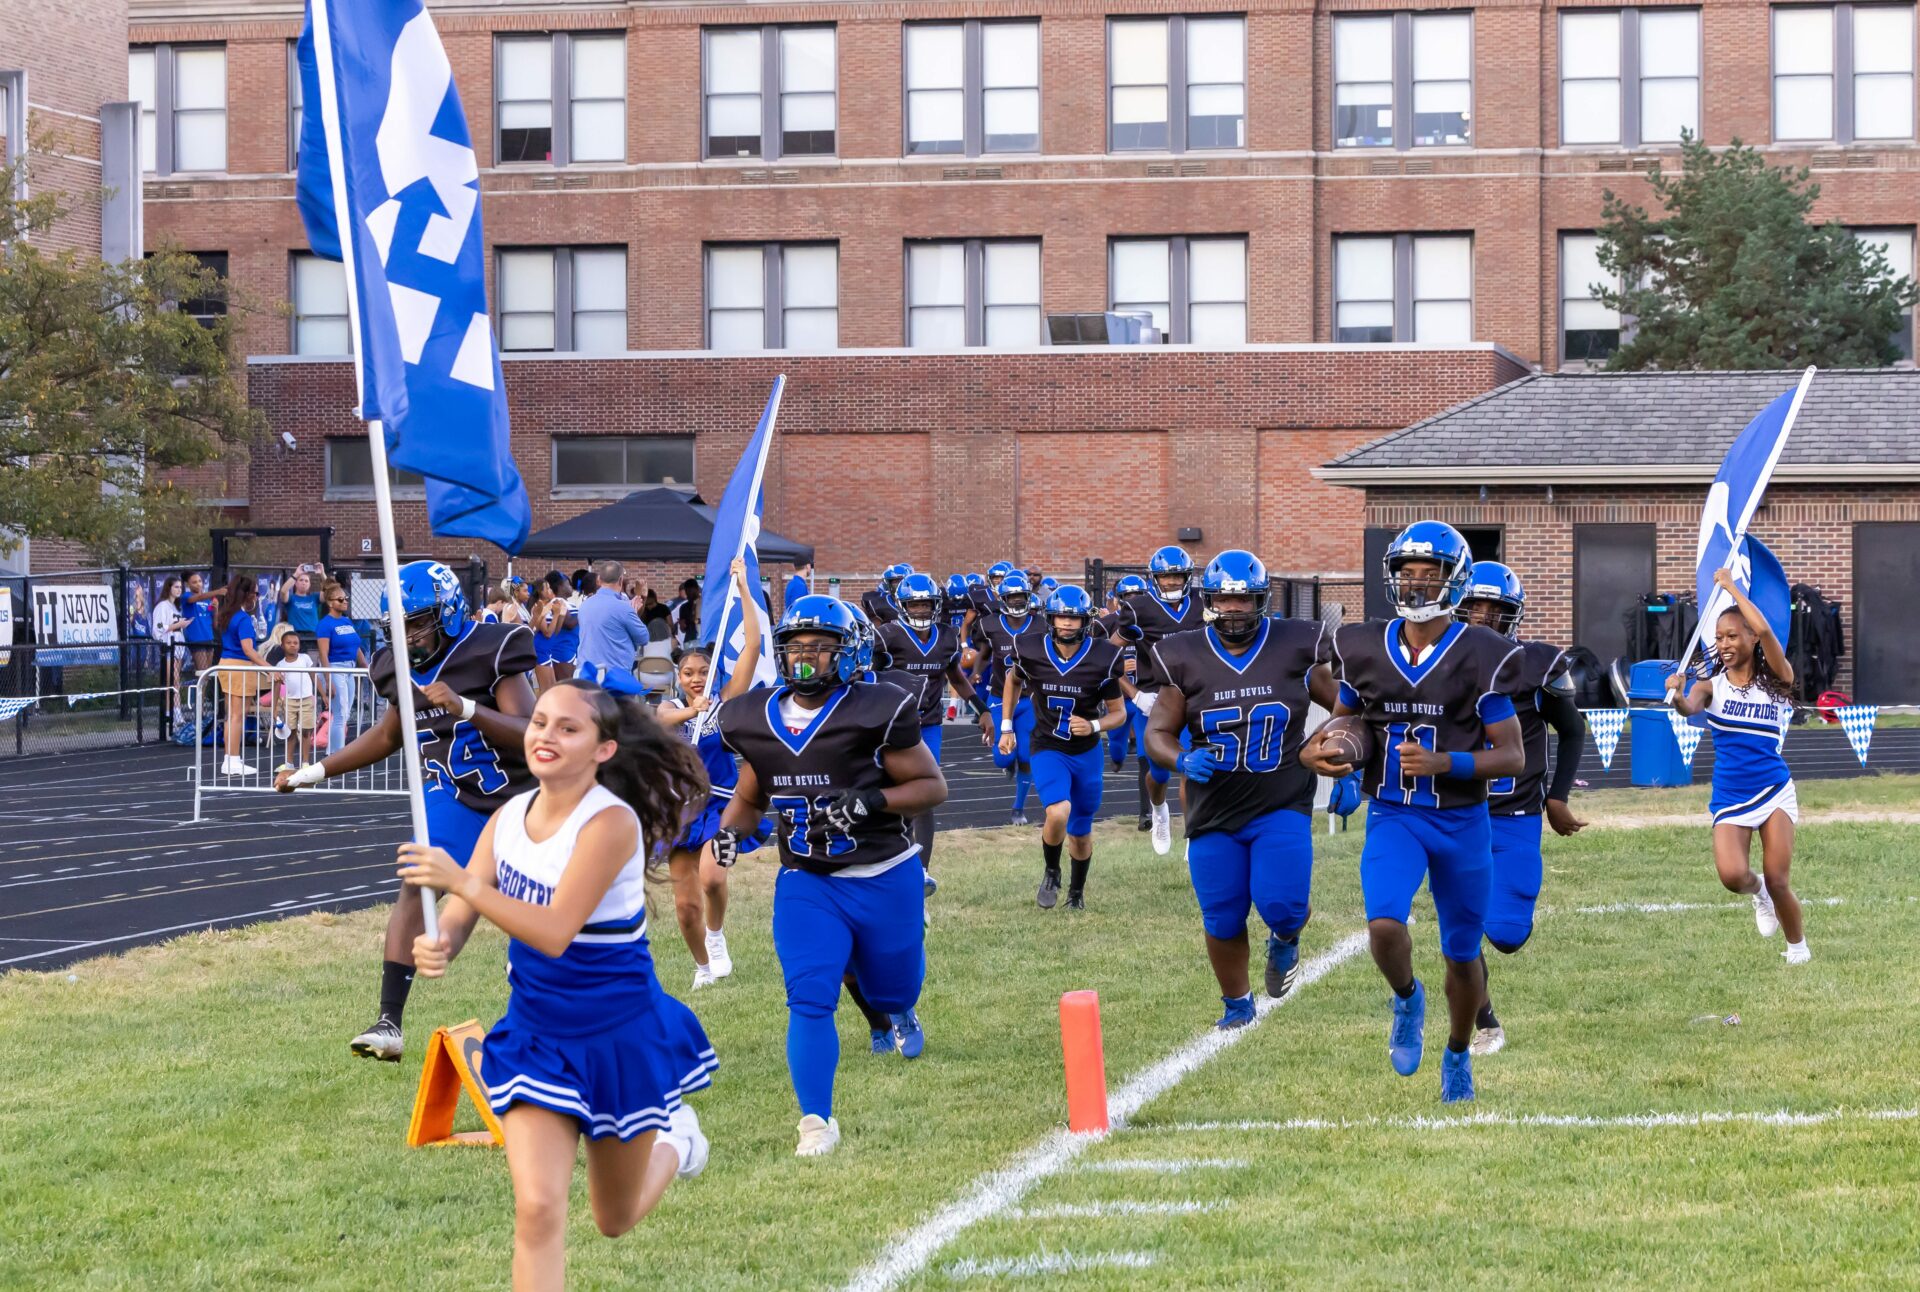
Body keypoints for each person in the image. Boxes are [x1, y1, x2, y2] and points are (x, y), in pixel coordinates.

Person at [397, 679, 716, 1290]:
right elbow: (461, 917)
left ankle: (678, 1141)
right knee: (538, 1210)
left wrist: (462, 882)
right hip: (536, 1036)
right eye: (540, 722)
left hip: (617, 1037)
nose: (546, 736)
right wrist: (442, 942)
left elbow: (553, 931)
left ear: (603, 749)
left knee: (613, 1220)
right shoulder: (507, 817)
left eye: (569, 728)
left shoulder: (610, 824)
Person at [711, 595, 947, 1156]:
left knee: (894, 987)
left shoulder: (876, 709)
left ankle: (896, 1005)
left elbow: (932, 787)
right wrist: (729, 833)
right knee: (809, 995)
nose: (804, 657)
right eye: (795, 647)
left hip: (883, 872)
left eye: (820, 647)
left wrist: (872, 800)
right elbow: (750, 795)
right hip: (808, 879)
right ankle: (816, 1121)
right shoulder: (753, 718)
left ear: (850, 653)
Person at [1300, 521, 1526, 1105]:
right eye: (1408, 573)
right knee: (1383, 923)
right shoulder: (1364, 645)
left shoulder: (1481, 652)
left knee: (1462, 953)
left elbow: (1512, 754)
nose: (1417, 584)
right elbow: (1344, 719)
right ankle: (1406, 998)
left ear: (1454, 581)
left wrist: (1445, 761)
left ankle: (1457, 1053)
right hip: (1395, 813)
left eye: (1430, 574)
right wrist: (1316, 752)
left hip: (1462, 820)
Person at [276, 561, 539, 1063]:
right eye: (399, 626)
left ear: (449, 613)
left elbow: (532, 732)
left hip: (519, 798)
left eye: (417, 622)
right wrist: (314, 771)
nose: (409, 636)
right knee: (416, 882)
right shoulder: (396, 665)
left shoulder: (488, 650)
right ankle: (388, 1022)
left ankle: (541, 1007)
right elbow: (388, 736)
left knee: (533, 910)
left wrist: (466, 708)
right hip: (455, 797)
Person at [1146, 551, 1339, 1028]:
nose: (1233, 609)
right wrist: (1180, 758)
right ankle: (1237, 1004)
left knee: (1283, 907)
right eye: (1224, 600)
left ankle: (1286, 938)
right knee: (1222, 915)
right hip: (1214, 807)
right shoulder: (1183, 653)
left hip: (1281, 798)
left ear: (1261, 600)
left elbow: (1346, 706)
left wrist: (1344, 761)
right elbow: (1157, 733)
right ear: (1208, 601)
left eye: (1244, 599)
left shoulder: (1294, 644)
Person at [1452, 562, 1588, 1055]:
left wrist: (1557, 796)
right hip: (1455, 812)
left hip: (1516, 814)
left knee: (1508, 934)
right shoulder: (1435, 665)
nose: (1483, 616)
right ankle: (1485, 1022)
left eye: (1495, 608)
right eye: (1474, 606)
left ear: (1513, 615)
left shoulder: (1532, 664)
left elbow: (1572, 729)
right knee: (1462, 927)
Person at [1666, 567, 1807, 964]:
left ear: (1750, 638)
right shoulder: (1710, 686)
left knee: (1779, 878)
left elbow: (1765, 630)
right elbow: (1688, 708)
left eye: (1732, 635)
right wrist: (1677, 696)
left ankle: (1797, 949)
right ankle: (1758, 894)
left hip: (1774, 790)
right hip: (1730, 793)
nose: (1724, 644)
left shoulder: (1777, 679)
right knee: (1732, 876)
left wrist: (1731, 588)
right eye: (1719, 638)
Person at [652, 557, 760, 990]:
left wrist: (745, 588)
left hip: (720, 805)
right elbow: (662, 722)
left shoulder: (725, 701)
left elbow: (751, 646)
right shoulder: (669, 706)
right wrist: (689, 712)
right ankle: (702, 967)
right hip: (681, 811)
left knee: (713, 877)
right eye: (688, 673)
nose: (696, 679)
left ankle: (716, 938)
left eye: (702, 672)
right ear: (678, 677)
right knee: (684, 908)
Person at [1003, 585, 1126, 910]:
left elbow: (1119, 713)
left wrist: (1094, 725)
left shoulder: (1102, 657)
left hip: (1086, 753)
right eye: (1060, 617)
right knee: (1058, 811)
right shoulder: (1031, 649)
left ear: (1086, 621)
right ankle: (1052, 871)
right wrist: (1006, 725)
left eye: (1074, 618)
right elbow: (1013, 680)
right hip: (1047, 746)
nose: (1067, 623)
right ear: (1050, 618)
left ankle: (1076, 893)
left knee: (1081, 832)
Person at [877, 573, 988, 889]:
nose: (922, 610)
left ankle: (922, 870)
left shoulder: (946, 637)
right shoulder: (886, 636)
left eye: (926, 604)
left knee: (924, 794)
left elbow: (955, 676)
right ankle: (887, 859)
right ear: (902, 606)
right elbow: (867, 677)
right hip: (889, 726)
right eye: (915, 604)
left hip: (927, 725)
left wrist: (981, 709)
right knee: (889, 790)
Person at [1121, 546, 1207, 856]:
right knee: (1158, 772)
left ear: (1187, 576)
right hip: (1155, 699)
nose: (1171, 582)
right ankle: (1159, 811)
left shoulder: (1203, 603)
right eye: (1165, 576)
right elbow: (1105, 656)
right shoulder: (1138, 609)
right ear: (1154, 578)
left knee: (1191, 767)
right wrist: (1135, 694)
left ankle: (1193, 833)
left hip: (1194, 696)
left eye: (1177, 576)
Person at [970, 573, 1043, 825]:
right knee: (1003, 757)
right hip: (1000, 697)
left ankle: (1018, 809)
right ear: (1003, 599)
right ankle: (1007, 764)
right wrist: (976, 672)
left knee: (1026, 756)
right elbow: (984, 653)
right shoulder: (990, 624)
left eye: (1020, 596)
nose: (1017, 601)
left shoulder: (1041, 625)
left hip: (1029, 699)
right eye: (1012, 597)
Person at [213, 576, 269, 777]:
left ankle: (230, 759)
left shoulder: (229, 614)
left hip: (226, 664)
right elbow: (248, 649)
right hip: (239, 667)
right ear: (246, 594)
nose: (257, 597)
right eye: (255, 593)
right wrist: (269, 668)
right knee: (237, 716)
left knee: (232, 716)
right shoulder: (243, 619)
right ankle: (233, 760)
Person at [576, 559, 650, 693]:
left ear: (599, 580)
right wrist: (633, 613)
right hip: (614, 679)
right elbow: (643, 638)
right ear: (621, 580)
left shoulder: (585, 605)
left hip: (586, 676)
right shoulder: (623, 608)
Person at [316, 581, 367, 758]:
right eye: (340, 599)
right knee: (340, 714)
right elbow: (323, 654)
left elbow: (356, 646)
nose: (345, 601)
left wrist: (365, 667)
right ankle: (338, 755)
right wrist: (328, 679)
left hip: (350, 670)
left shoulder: (346, 620)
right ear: (330, 603)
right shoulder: (325, 624)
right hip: (335, 668)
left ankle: (333, 752)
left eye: (346, 598)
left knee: (344, 713)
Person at [271, 626, 319, 771]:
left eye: (295, 643)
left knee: (306, 731)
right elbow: (277, 687)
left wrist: (323, 694)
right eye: (289, 643)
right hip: (290, 701)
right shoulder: (280, 664)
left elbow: (313, 676)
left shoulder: (305, 658)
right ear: (282, 645)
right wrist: (274, 707)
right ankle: (289, 763)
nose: (293, 645)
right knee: (290, 732)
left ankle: (305, 763)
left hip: (307, 699)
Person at [152, 576, 186, 725]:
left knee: (175, 682)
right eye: (176, 587)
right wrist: (176, 625)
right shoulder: (162, 606)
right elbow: (158, 628)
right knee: (172, 680)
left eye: (180, 587)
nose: (179, 590)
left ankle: (173, 712)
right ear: (169, 588)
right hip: (168, 648)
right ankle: (172, 713)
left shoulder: (176, 607)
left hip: (178, 648)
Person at [539, 571, 579, 684]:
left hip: (568, 650)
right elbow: (569, 623)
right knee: (565, 687)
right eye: (568, 584)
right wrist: (584, 611)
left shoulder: (564, 603)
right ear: (560, 587)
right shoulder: (558, 602)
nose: (571, 587)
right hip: (561, 652)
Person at [180, 572, 220, 682]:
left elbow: (215, 624)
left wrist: (216, 609)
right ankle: (196, 693)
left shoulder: (207, 601)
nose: (198, 584)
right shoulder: (186, 596)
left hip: (209, 638)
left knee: (207, 674)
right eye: (194, 582)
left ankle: (200, 693)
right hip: (196, 639)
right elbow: (199, 597)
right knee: (202, 674)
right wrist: (218, 592)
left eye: (200, 581)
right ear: (188, 584)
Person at [278, 566, 323, 648]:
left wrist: (322, 574)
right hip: (295, 635)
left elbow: (330, 591)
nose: (304, 583)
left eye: (306, 581)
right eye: (301, 580)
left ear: (309, 584)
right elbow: (283, 591)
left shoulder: (314, 598)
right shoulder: (291, 598)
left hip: (313, 635)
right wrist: (296, 574)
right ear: (295, 583)